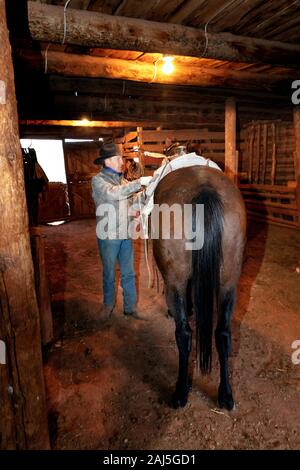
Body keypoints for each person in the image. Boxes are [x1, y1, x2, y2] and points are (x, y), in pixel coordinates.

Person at [91, 142, 145, 320]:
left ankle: (130, 307)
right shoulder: (98, 181)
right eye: (118, 158)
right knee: (109, 273)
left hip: (125, 235)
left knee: (128, 273)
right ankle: (108, 305)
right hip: (108, 236)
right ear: (107, 162)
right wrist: (138, 183)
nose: (122, 162)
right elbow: (113, 194)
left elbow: (133, 202)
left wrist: (147, 193)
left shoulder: (123, 181)